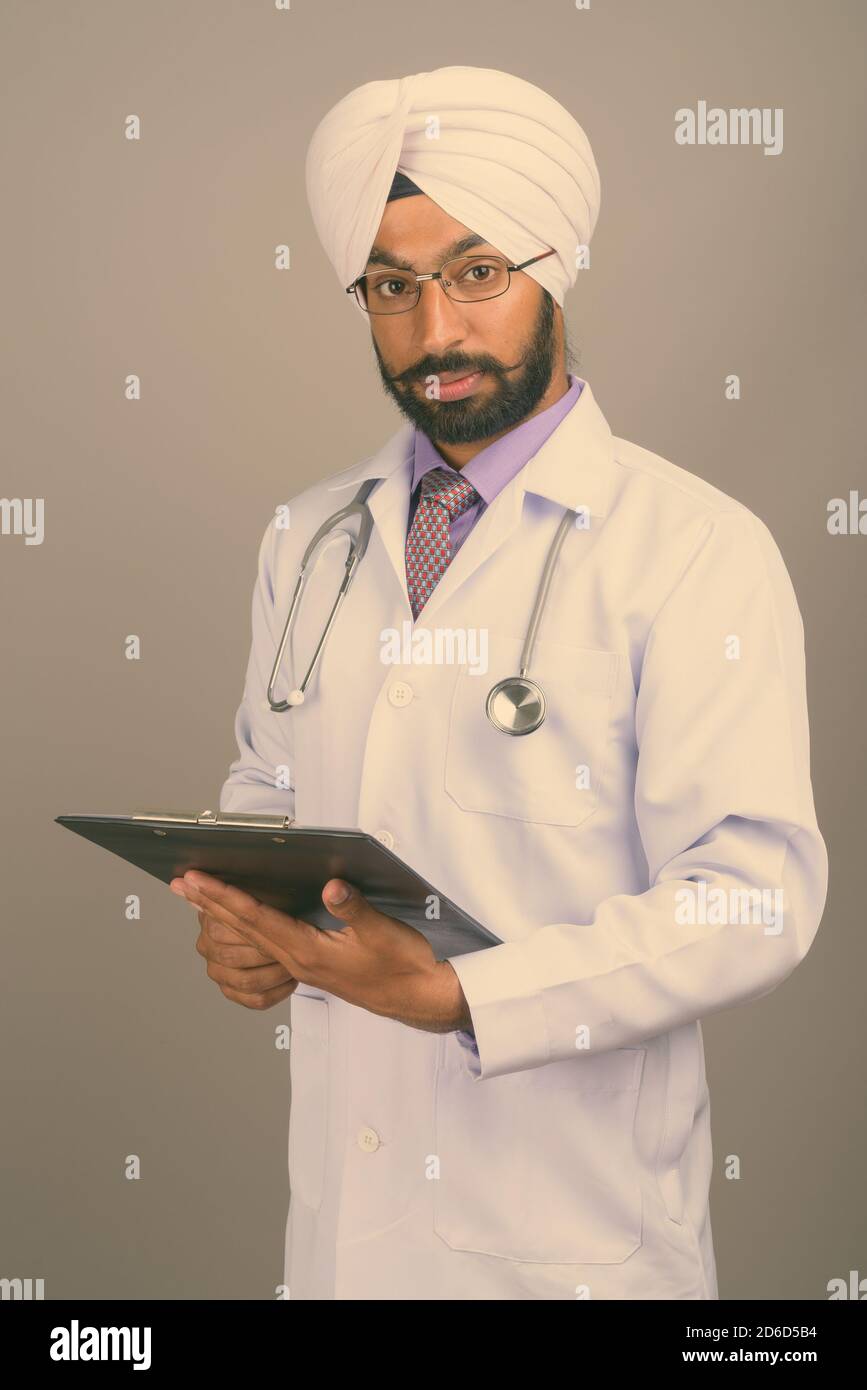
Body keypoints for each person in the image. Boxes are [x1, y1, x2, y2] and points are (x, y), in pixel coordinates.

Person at [173, 66, 828, 1300]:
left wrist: (463, 993)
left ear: (552, 267)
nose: (437, 331)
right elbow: (267, 770)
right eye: (392, 285)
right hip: (339, 1247)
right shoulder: (311, 535)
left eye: (477, 273)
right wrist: (246, 910)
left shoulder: (692, 546)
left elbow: (756, 895)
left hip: (572, 1251)